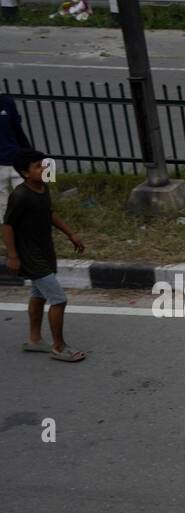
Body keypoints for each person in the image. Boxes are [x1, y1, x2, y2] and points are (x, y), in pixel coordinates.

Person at [3, 148, 86, 362]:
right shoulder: (20, 195)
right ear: (25, 173)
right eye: (38, 166)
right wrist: (12, 256)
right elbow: (8, 226)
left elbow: (49, 214)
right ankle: (59, 347)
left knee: (38, 295)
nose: (44, 168)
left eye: (44, 164)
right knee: (59, 299)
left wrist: (71, 234)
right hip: (31, 256)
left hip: (45, 250)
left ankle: (34, 340)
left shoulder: (42, 188)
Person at [0, 94, 32, 210]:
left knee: (24, 198)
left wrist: (28, 151)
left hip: (14, 158)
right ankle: (5, 226)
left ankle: (24, 225)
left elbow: (17, 129)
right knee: (1, 203)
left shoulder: (7, 102)